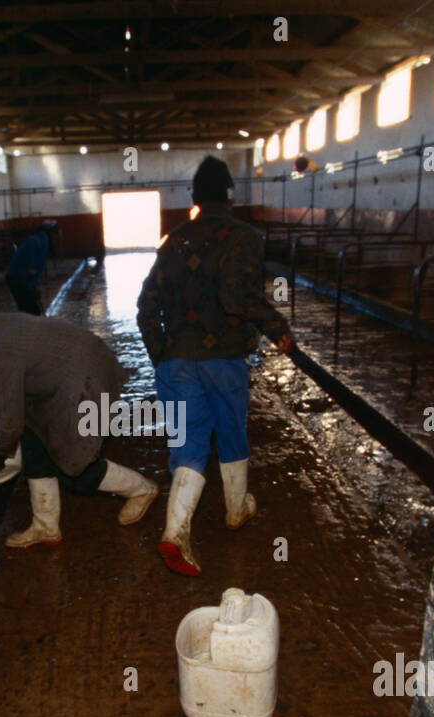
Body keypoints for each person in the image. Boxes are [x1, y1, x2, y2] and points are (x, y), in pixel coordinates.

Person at [136, 156, 295, 577]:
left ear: (194, 197)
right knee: (231, 430)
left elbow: (146, 304)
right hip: (224, 357)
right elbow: (235, 295)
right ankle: (235, 509)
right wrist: (276, 325)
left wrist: (161, 354)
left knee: (188, 444)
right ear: (230, 193)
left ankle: (175, 532)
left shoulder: (173, 241)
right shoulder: (245, 237)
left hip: (178, 359)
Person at [0, 283, 158, 547]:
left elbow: (10, 420)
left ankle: (141, 489)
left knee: (74, 468)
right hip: (81, 366)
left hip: (82, 385)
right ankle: (45, 526)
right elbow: (16, 371)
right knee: (34, 442)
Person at [5, 220, 58, 316]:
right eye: (54, 233)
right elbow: (30, 263)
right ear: (50, 232)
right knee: (30, 310)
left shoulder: (43, 241)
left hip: (23, 278)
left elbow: (35, 269)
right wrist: (31, 271)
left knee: (30, 308)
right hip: (17, 277)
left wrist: (36, 286)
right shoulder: (36, 240)